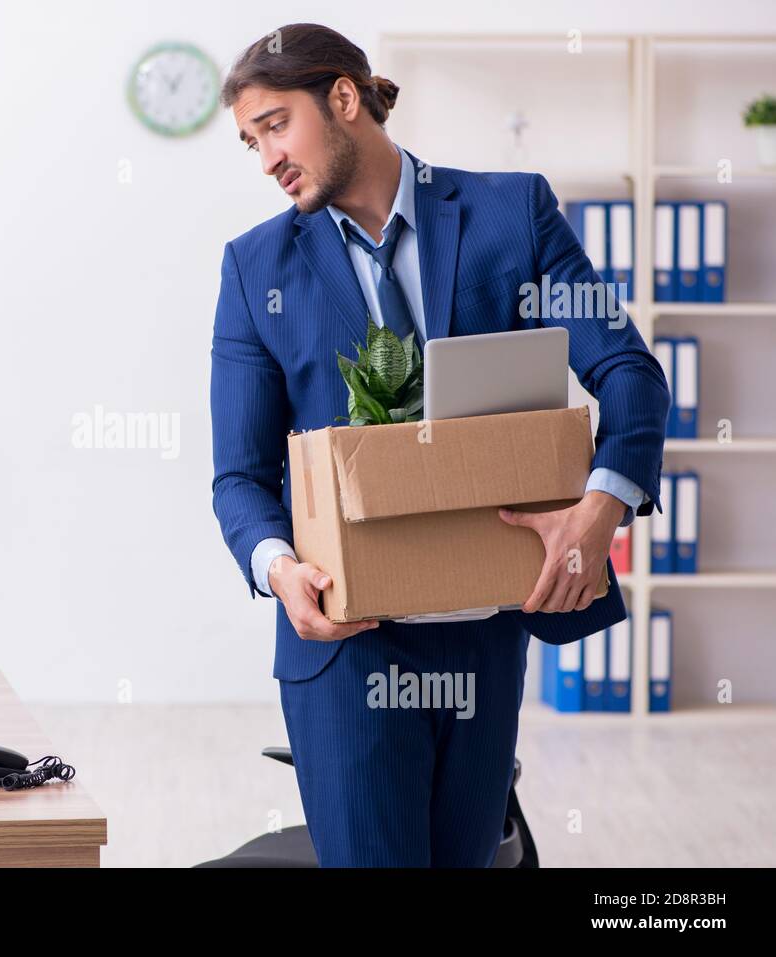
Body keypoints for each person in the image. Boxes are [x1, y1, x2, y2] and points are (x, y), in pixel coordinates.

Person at [210, 23, 669, 866]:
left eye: (275, 124)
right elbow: (238, 478)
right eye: (250, 140)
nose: (266, 157)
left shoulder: (510, 213)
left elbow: (630, 371)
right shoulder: (256, 269)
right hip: (348, 649)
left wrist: (601, 507)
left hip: (488, 631)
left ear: (343, 97)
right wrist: (279, 568)